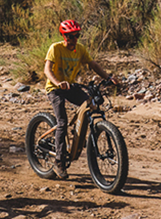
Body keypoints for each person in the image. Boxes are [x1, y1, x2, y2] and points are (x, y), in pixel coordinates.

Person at [43, 19, 111, 177]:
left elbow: (93, 65)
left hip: (70, 86)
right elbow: (47, 70)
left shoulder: (80, 49)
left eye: (77, 36)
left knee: (91, 103)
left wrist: (108, 78)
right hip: (55, 88)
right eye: (70, 36)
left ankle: (82, 132)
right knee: (62, 122)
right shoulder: (55, 48)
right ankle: (58, 162)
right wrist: (58, 83)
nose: (74, 39)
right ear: (64, 36)